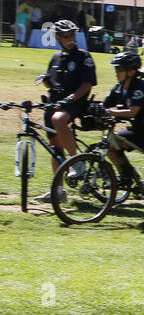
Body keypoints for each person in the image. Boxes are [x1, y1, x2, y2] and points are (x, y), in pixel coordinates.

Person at [101, 50, 144, 227]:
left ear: (130, 71)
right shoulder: (119, 88)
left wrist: (110, 112)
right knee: (110, 142)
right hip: (138, 132)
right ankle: (127, 175)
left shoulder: (140, 87)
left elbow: (133, 111)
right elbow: (104, 104)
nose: (117, 73)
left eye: (120, 69)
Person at [35, 20, 96, 202]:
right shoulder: (55, 57)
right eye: (66, 36)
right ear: (58, 38)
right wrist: (44, 80)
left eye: (72, 35)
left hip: (74, 104)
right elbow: (52, 82)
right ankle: (58, 191)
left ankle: (77, 162)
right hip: (54, 104)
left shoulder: (83, 56)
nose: (70, 39)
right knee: (54, 147)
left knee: (59, 120)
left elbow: (87, 84)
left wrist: (70, 98)